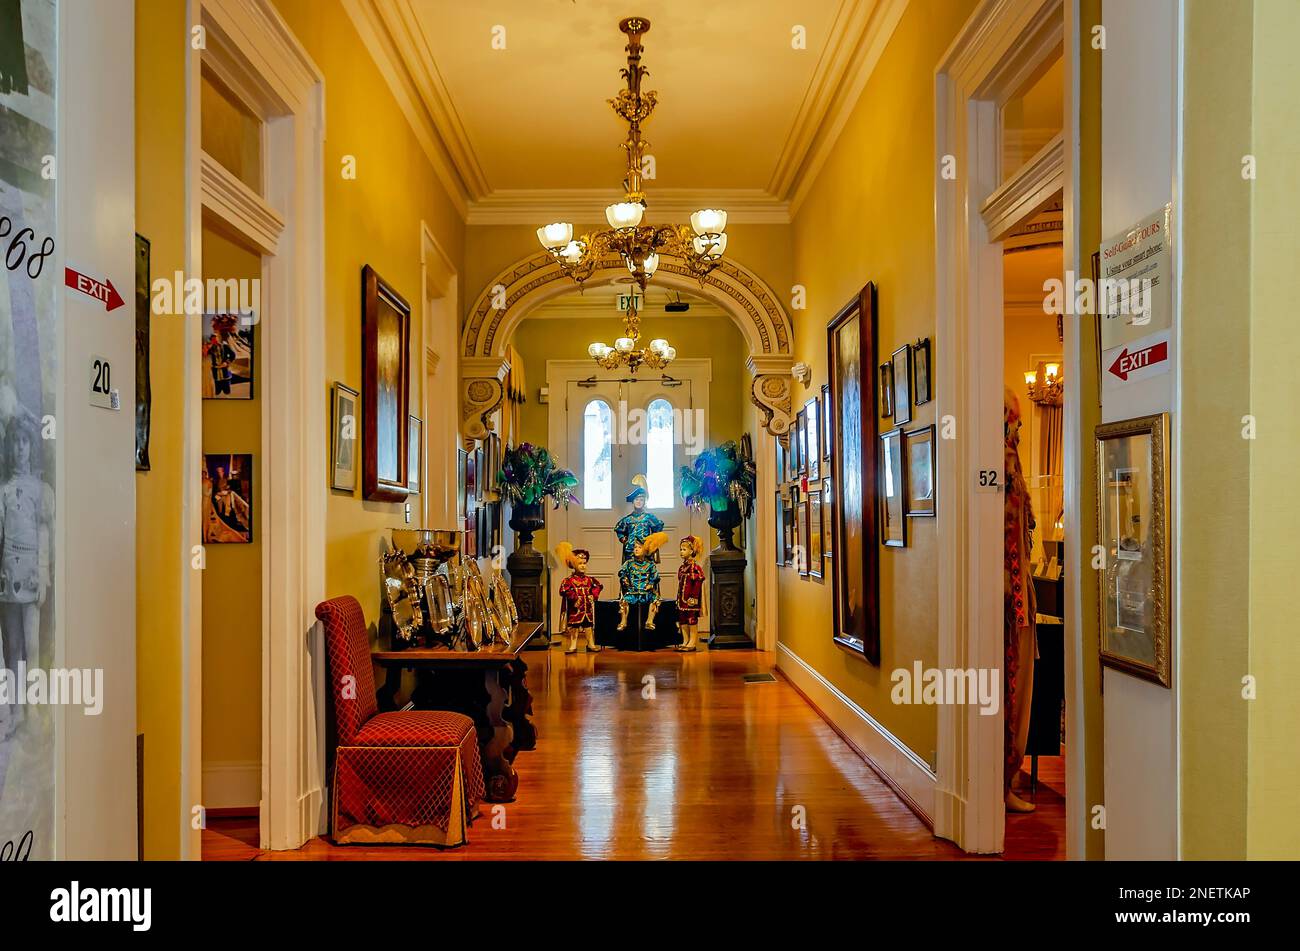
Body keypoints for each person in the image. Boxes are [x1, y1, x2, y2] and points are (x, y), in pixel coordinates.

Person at [0, 415, 54, 731]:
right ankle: (15, 709)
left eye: (24, 442)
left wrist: (42, 574)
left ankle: (33, 708)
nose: (19, 448)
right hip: (9, 577)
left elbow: (44, 533)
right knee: (13, 645)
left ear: (31, 447)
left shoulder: (39, 491)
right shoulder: (5, 492)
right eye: (15, 443)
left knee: (32, 644)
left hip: (32, 575)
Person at [1004, 389, 1037, 814]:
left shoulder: (1011, 461)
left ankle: (1006, 779)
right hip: (1010, 595)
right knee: (1013, 690)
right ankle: (1003, 780)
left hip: (1016, 589)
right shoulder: (1004, 463)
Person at [556, 542, 602, 654]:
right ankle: (573, 645)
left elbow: (598, 586)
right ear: (573, 564)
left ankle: (590, 644)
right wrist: (574, 597)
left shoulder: (590, 580)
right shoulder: (569, 580)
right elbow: (564, 590)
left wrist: (593, 595)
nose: (583, 565)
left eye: (584, 563)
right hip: (576, 609)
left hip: (587, 609)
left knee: (588, 626)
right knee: (574, 627)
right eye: (580, 563)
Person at [617, 531, 667, 631]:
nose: (636, 549)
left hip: (646, 592)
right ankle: (623, 621)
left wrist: (651, 584)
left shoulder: (650, 564)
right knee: (624, 601)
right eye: (635, 547)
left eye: (639, 547)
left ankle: (649, 621)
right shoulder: (628, 563)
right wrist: (624, 579)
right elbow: (622, 572)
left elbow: (655, 576)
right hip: (633, 591)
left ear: (645, 550)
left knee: (654, 600)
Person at [614, 474, 664, 563]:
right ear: (633, 501)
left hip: (646, 551)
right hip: (630, 551)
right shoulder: (627, 519)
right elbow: (619, 530)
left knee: (646, 573)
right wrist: (624, 540)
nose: (639, 502)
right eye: (636, 499)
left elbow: (658, 528)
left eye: (641, 500)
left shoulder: (649, 517)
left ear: (644, 502)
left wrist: (652, 541)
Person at [675, 535, 705, 652]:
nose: (681, 552)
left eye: (684, 549)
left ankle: (692, 642)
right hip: (682, 599)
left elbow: (698, 582)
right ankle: (685, 640)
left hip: (691, 599)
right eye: (681, 549)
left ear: (692, 551)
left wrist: (694, 597)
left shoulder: (694, 567)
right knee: (682, 619)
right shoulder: (682, 567)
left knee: (691, 619)